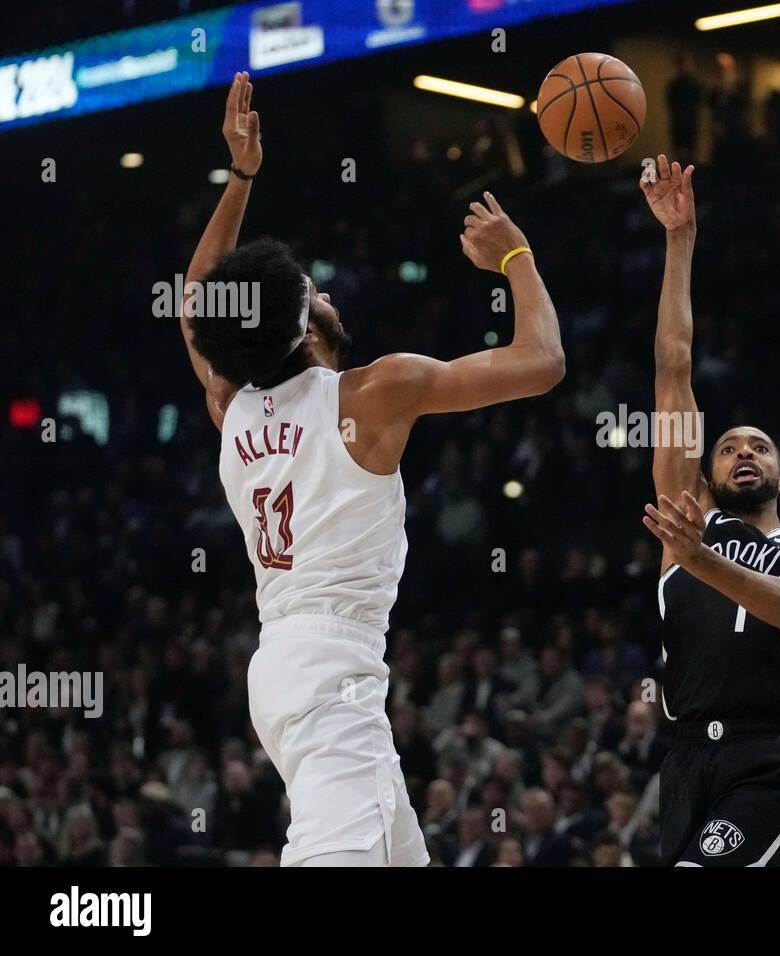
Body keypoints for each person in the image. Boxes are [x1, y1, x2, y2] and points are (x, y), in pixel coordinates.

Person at [179, 74, 564, 866]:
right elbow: (544, 361)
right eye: (315, 290)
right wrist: (516, 257)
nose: (327, 293)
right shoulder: (374, 391)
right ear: (302, 324)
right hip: (332, 674)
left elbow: (197, 305)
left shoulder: (233, 409)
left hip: (292, 664)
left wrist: (243, 178)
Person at [639, 156, 780, 866]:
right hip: (686, 758)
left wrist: (701, 558)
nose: (742, 453)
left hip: (776, 753)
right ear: (705, 471)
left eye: (759, 447)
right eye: (729, 445)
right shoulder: (688, 518)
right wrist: (680, 240)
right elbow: (673, 364)